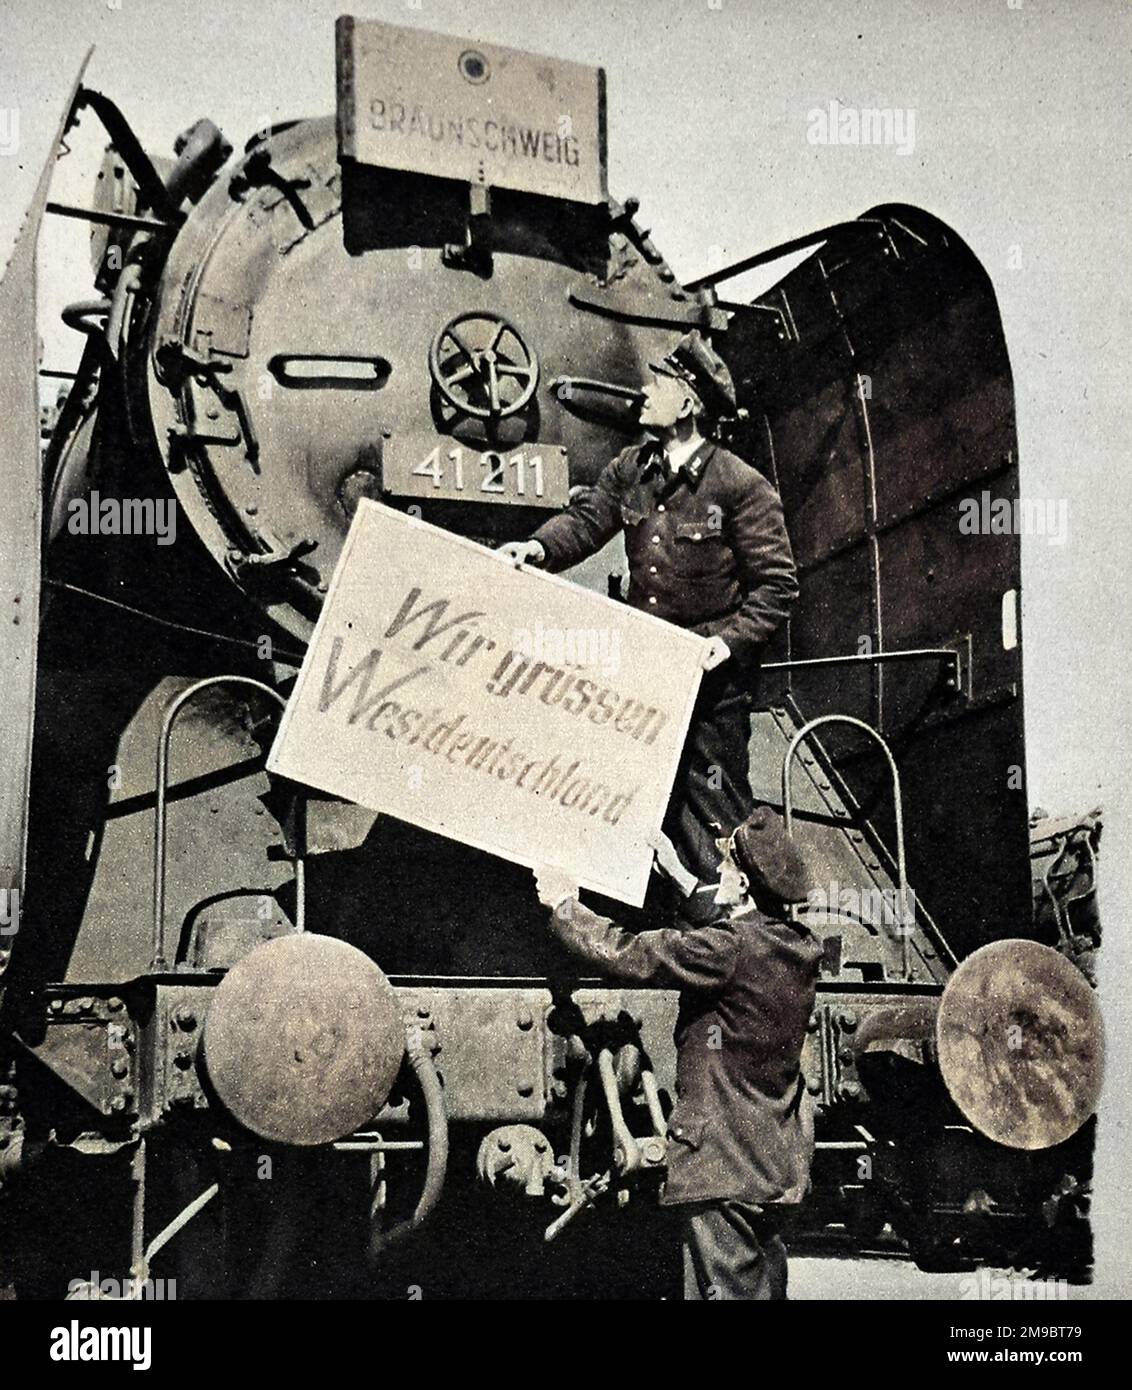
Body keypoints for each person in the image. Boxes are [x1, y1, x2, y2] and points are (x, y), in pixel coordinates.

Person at [500, 330, 798, 881]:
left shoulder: (740, 485)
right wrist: (538, 547)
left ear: (686, 403)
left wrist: (725, 643)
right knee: (629, 796)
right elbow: (588, 520)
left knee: (715, 805)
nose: (642, 390)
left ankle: (729, 924)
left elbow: (777, 586)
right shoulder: (632, 469)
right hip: (643, 671)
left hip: (713, 684)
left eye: (656, 384)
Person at [534, 809, 823, 1300]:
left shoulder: (729, 950)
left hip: (721, 1169)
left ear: (745, 886)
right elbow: (733, 936)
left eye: (726, 867)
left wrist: (565, 906)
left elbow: (635, 953)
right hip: (774, 1167)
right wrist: (682, 879)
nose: (718, 873)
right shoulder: (797, 948)